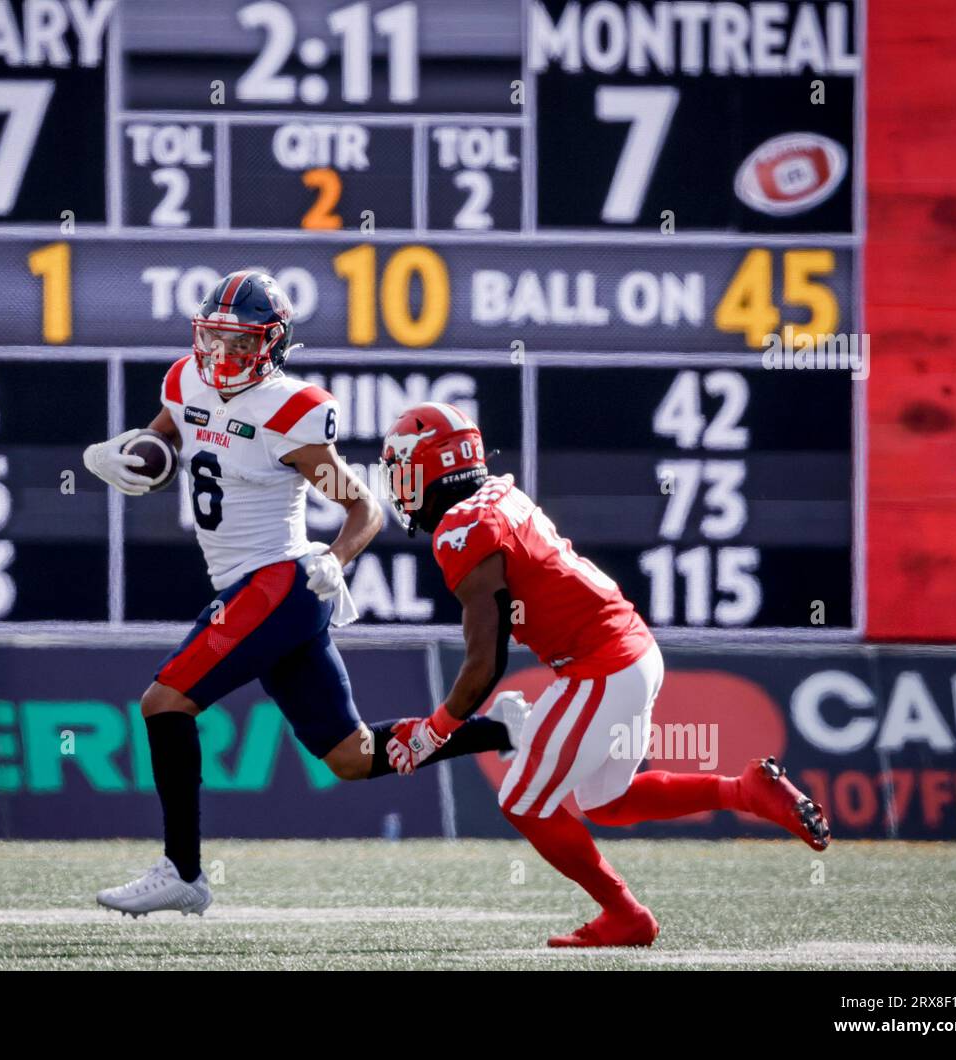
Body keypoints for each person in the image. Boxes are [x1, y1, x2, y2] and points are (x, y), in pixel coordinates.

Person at [81, 273, 521, 917]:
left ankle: (183, 871)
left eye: (238, 343)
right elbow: (161, 447)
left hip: (283, 582)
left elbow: (363, 506)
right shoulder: (185, 380)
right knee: (351, 756)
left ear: (271, 345)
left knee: (164, 700)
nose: (220, 356)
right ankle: (499, 731)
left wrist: (334, 559)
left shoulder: (290, 409)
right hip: (251, 587)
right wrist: (113, 455)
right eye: (213, 339)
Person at [380, 401, 831, 947]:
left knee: (523, 800)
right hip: (632, 651)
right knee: (606, 803)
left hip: (601, 667)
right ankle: (744, 791)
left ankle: (626, 914)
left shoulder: (462, 528)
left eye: (405, 471)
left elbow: (485, 661)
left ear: (435, 467)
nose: (400, 487)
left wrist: (433, 731)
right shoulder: (499, 495)